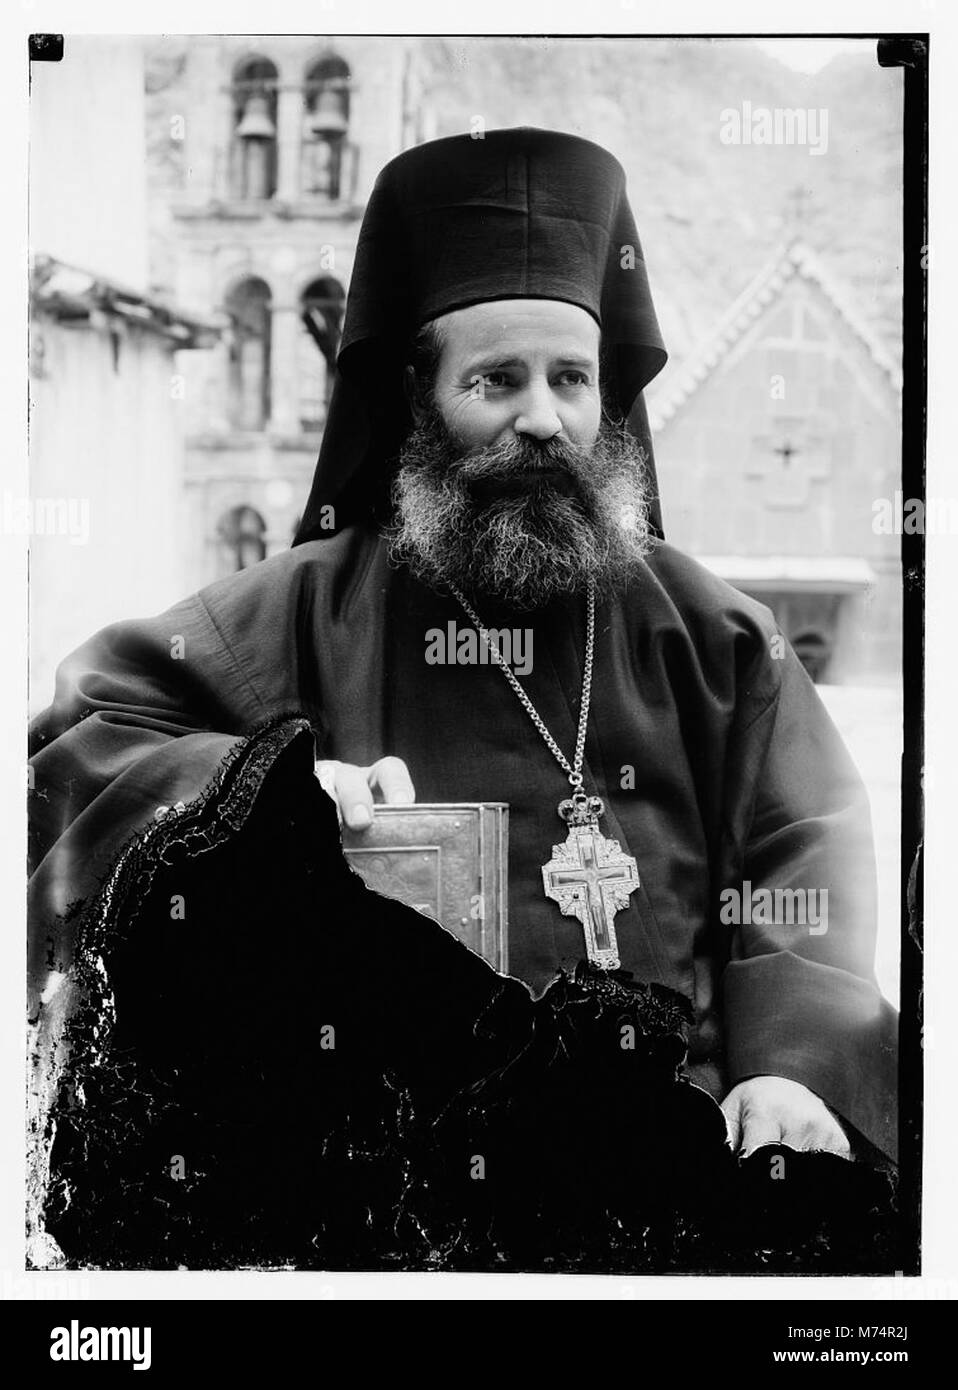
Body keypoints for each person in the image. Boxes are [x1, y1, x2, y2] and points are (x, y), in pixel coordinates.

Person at [28, 130, 897, 1242]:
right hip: (391, 1217)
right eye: (497, 380)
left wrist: (792, 1069)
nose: (544, 418)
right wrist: (259, 793)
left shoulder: (718, 640)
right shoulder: (296, 614)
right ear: (418, 395)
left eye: (571, 379)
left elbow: (804, 869)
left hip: (678, 1197)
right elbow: (72, 749)